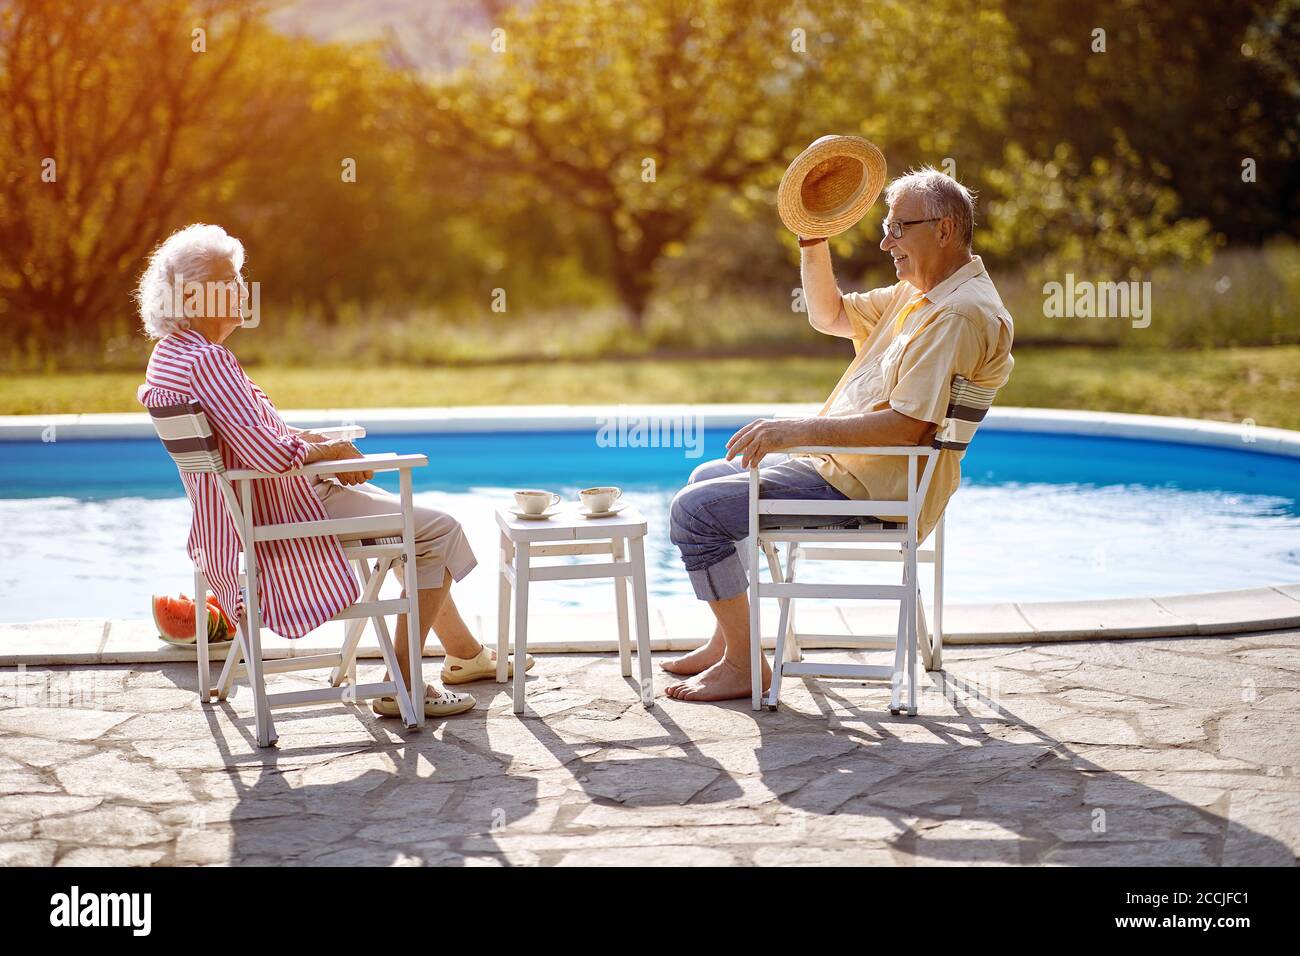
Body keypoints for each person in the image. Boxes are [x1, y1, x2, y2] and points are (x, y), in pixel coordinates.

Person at [136, 224, 532, 718]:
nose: (242, 289)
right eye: (229, 279)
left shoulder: (171, 358)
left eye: (240, 277)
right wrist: (330, 454)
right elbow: (271, 456)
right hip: (287, 509)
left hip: (249, 511)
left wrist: (321, 444)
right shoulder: (209, 360)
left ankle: (466, 656)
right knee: (439, 531)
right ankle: (403, 684)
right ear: (192, 295)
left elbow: (255, 438)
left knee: (412, 531)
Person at [663, 167, 1015, 702]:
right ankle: (729, 641)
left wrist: (794, 433)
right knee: (707, 476)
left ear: (943, 230)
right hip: (847, 470)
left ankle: (744, 665)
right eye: (887, 226)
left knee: (696, 511)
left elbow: (907, 428)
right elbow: (828, 314)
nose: (885, 240)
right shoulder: (917, 295)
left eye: (899, 228)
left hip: (877, 490)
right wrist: (812, 235)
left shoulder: (958, 314)